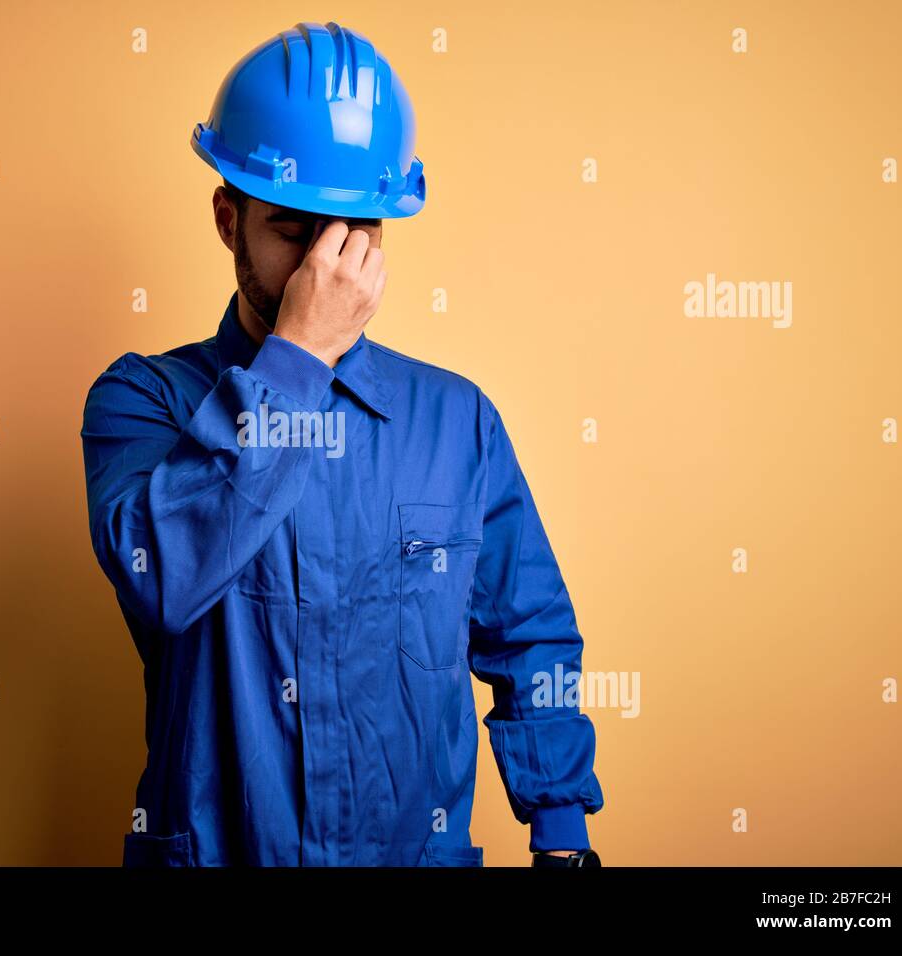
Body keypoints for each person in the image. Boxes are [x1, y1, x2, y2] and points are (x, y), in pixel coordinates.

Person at [80, 20, 603, 867]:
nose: (329, 266)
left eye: (353, 231)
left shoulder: (457, 422)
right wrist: (298, 359)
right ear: (227, 217)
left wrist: (562, 835)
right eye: (295, 231)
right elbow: (164, 581)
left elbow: (530, 634)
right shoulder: (142, 402)